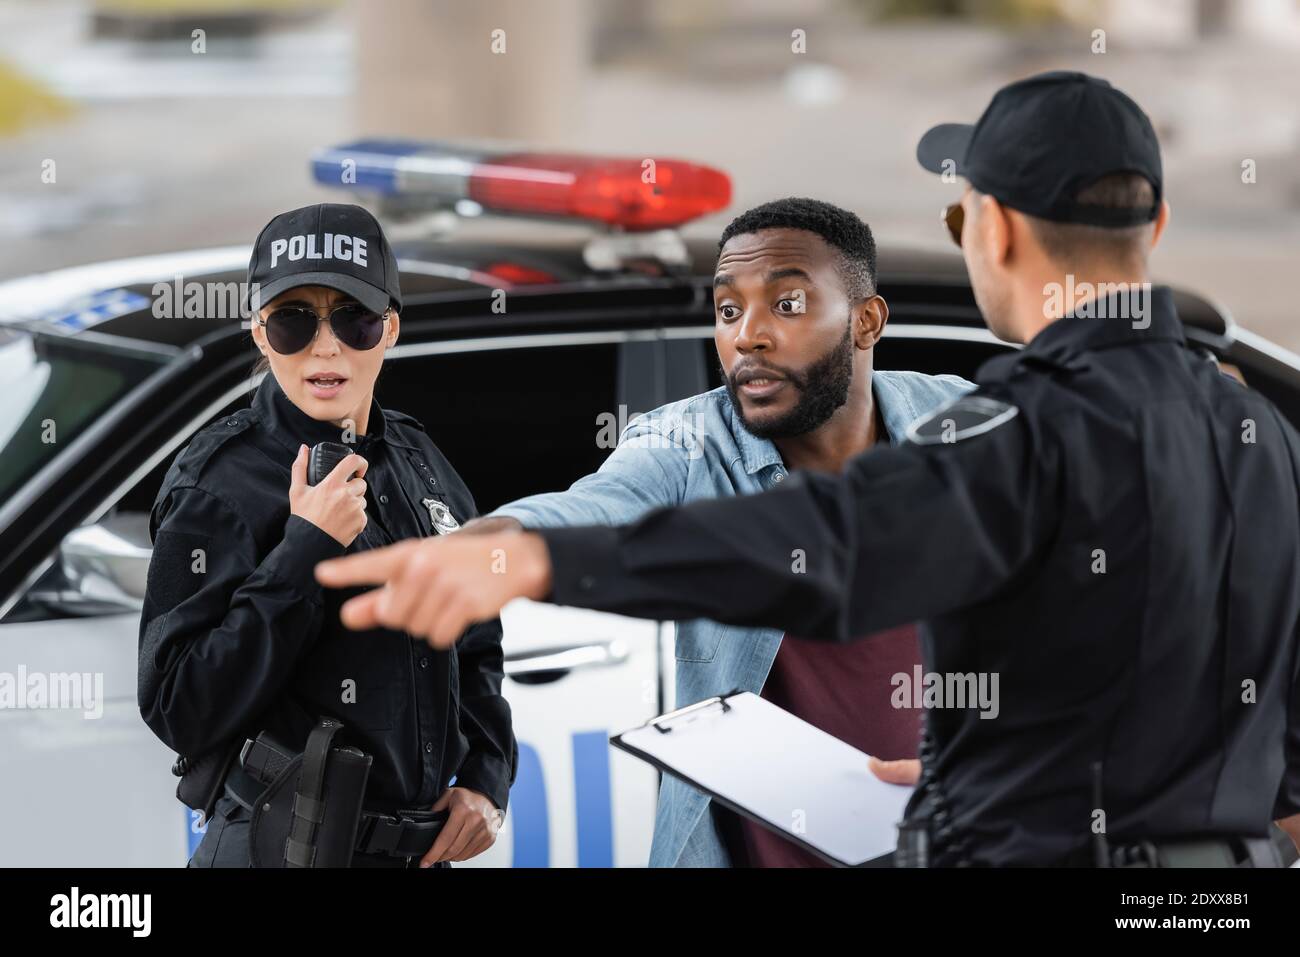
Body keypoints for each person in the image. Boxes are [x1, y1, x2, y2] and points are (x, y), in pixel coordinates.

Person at [316, 74, 1300, 867]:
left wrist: (535, 568)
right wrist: (963, 771)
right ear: (1156, 228)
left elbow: (830, 547)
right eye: (727, 308)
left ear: (991, 230)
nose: (746, 336)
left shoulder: (1000, 430)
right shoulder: (1256, 428)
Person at [463, 197, 972, 867]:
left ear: (865, 322)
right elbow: (597, 503)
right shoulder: (687, 444)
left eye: (786, 305)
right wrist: (493, 539)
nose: (747, 336)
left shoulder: (959, 426)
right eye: (728, 310)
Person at [138, 203, 516, 868]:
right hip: (276, 850)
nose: (325, 344)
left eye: (354, 316)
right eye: (293, 320)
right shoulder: (216, 484)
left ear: (390, 328)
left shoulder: (420, 460)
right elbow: (179, 708)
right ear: (260, 333)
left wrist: (488, 776)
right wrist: (304, 549)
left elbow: (477, 639)